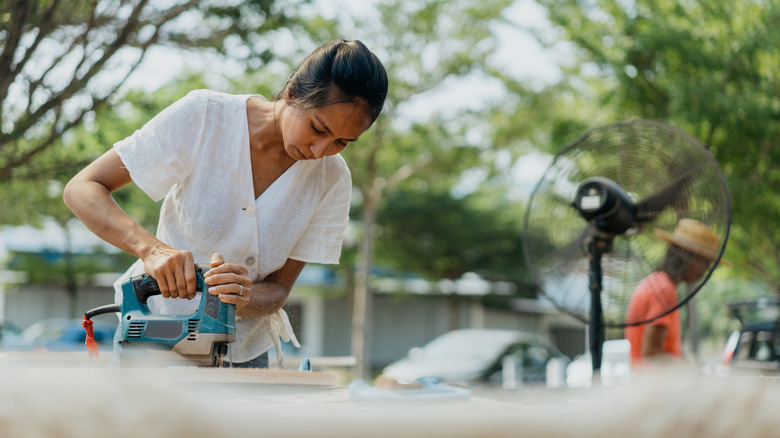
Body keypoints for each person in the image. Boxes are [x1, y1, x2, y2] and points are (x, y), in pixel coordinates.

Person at [63, 39, 388, 368]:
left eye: (342, 142)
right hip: (154, 345)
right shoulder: (206, 117)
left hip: (246, 355)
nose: (320, 150)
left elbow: (278, 290)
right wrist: (151, 250)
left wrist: (244, 296)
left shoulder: (332, 179)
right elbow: (83, 187)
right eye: (318, 128)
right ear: (292, 93)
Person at [624, 219, 722, 367]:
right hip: (655, 386)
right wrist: (691, 375)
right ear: (684, 255)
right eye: (704, 262)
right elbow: (652, 352)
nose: (705, 270)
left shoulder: (657, 283)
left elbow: (668, 348)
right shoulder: (664, 290)